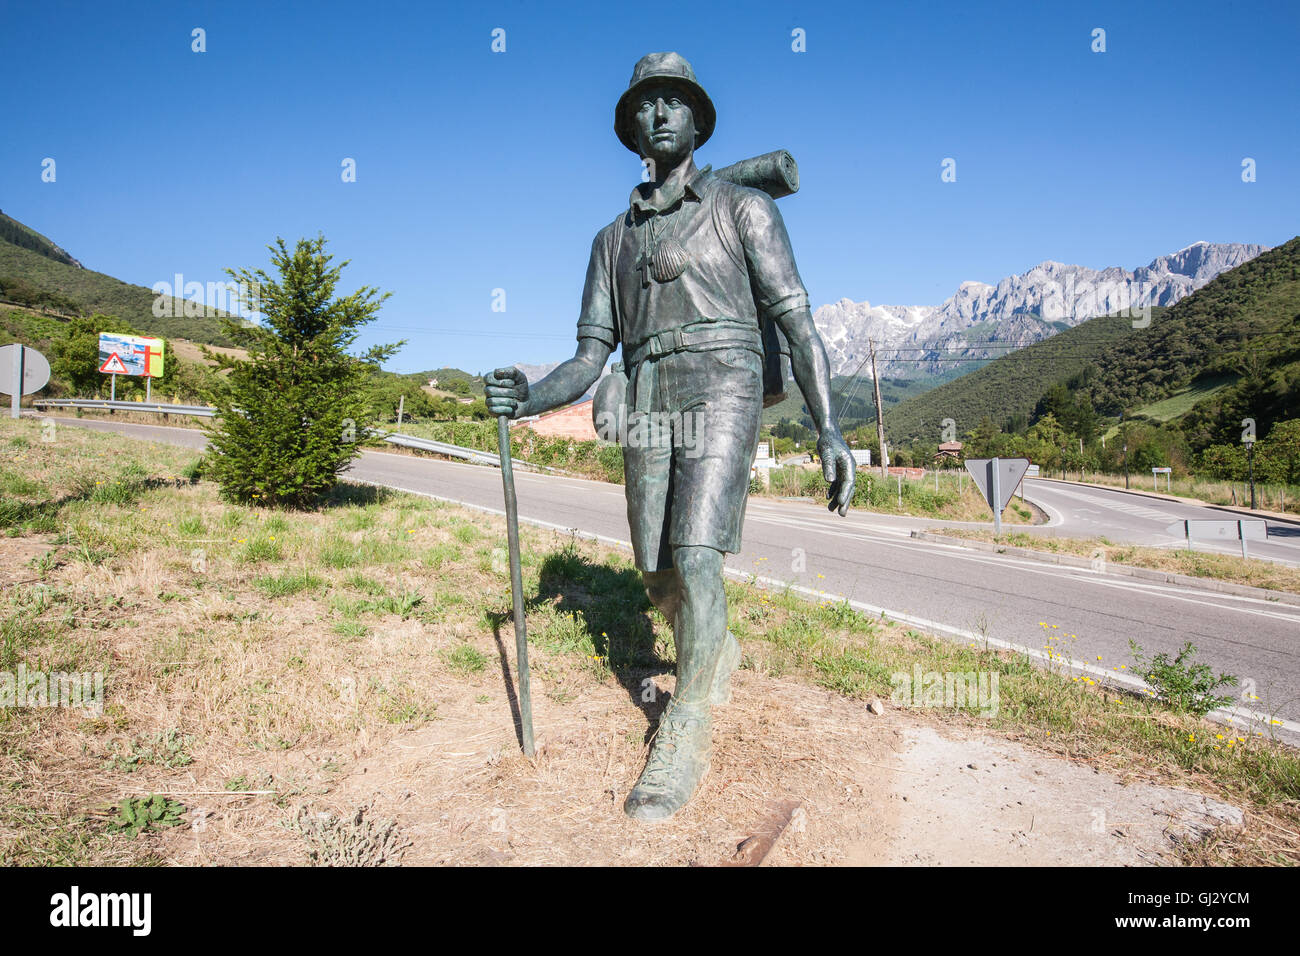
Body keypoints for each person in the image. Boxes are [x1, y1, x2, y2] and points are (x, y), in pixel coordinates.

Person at [485, 52, 855, 822]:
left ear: (696, 120)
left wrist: (831, 430)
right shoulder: (610, 242)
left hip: (725, 379)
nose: (658, 113)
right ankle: (711, 649)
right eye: (644, 104)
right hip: (647, 387)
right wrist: (528, 396)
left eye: (673, 102)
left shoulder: (744, 209)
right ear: (630, 128)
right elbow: (591, 356)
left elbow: (796, 320)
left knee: (696, 551)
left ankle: (686, 724)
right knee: (656, 570)